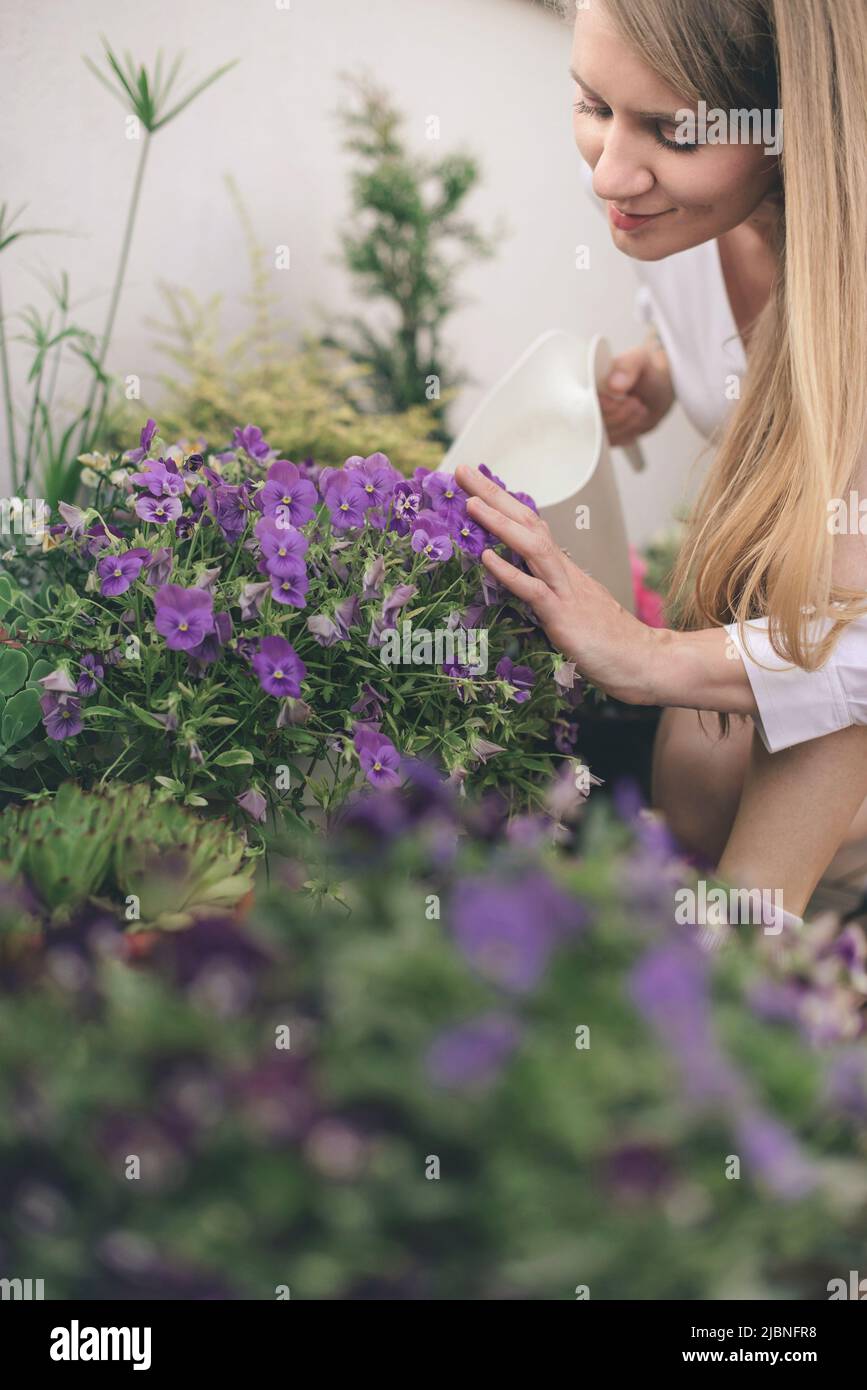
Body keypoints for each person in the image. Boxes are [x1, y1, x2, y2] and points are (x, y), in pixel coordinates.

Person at [455, 0, 867, 919]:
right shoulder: (682, 226)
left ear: (789, 124)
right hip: (733, 780)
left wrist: (646, 657)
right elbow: (751, 349)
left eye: (671, 131)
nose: (608, 170)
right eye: (592, 105)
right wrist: (668, 367)